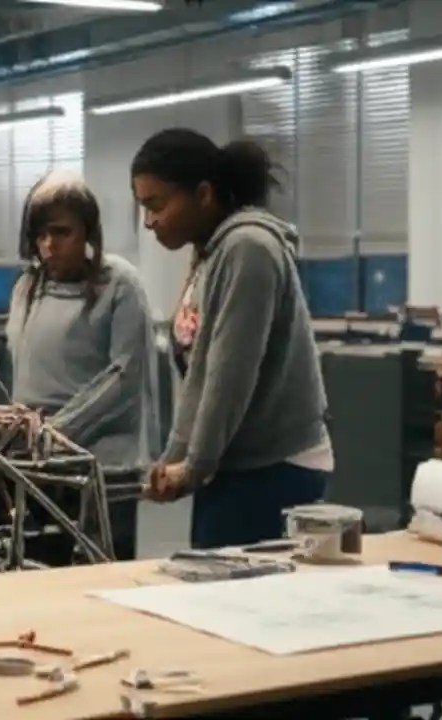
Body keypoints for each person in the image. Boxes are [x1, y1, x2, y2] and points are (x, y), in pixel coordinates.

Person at [131, 128, 332, 549]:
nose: (149, 221)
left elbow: (229, 374)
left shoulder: (248, 249)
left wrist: (195, 465)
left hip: (273, 469)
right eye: (142, 208)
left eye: (157, 205)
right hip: (230, 467)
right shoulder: (208, 253)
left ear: (203, 194)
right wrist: (176, 459)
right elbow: (198, 377)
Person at [6, 170, 159, 561]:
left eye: (61, 233)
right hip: (40, 462)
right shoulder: (28, 287)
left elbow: (124, 376)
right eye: (40, 235)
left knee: (101, 574)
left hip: (102, 467)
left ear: (88, 232)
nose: (49, 245)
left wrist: (58, 429)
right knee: (39, 570)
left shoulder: (120, 285)